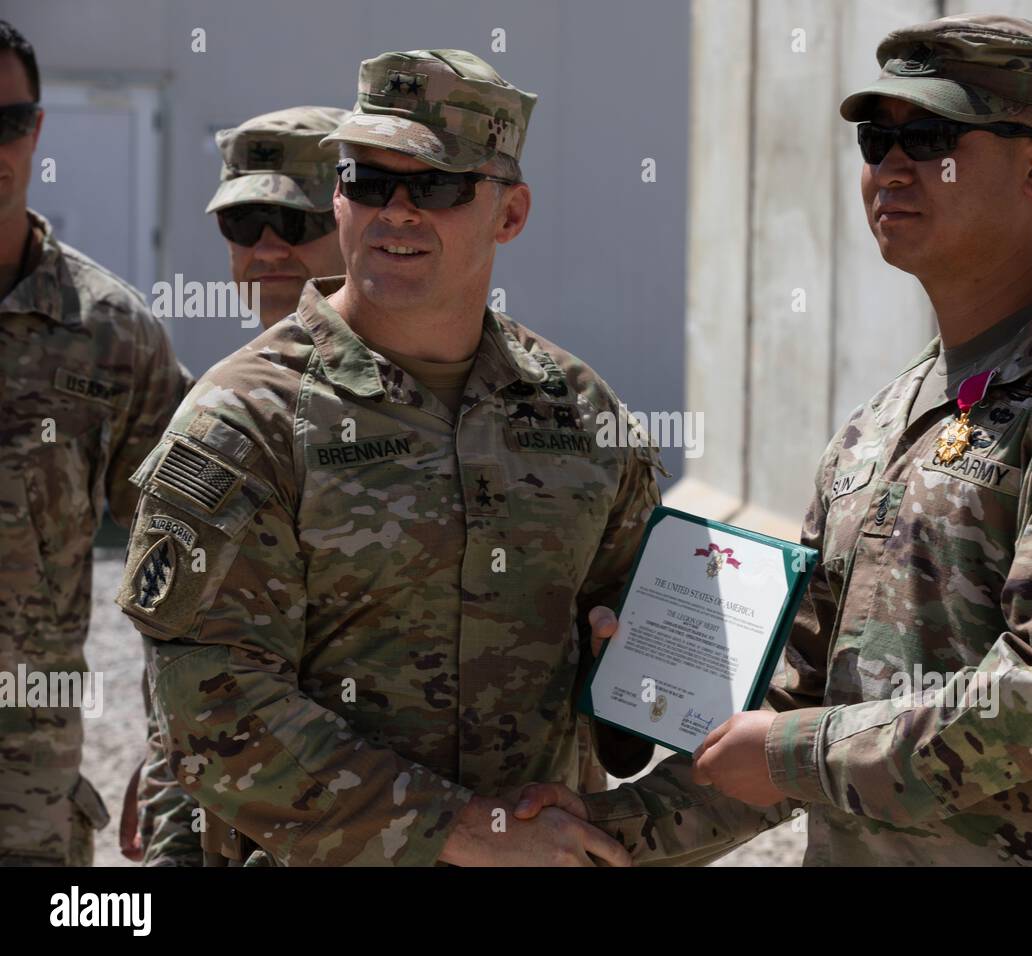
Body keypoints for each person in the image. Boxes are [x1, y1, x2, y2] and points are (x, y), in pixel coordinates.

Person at [516, 14, 1032, 867]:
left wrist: (793, 755)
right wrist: (599, 836)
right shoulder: (876, 429)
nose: (892, 165)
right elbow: (796, 700)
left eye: (931, 137)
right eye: (875, 138)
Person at [116, 48, 663, 866]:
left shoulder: (580, 415)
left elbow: (636, 688)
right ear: (338, 199)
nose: (395, 213)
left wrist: (641, 686)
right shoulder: (247, 418)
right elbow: (208, 701)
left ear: (509, 214)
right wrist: (458, 830)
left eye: (435, 186)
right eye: (367, 182)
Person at [125, 105, 349, 866]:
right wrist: (159, 773)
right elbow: (181, 650)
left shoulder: (439, 409)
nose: (267, 249)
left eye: (295, 219)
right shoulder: (221, 407)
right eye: (244, 223)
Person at [0, 18, 191, 866]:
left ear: (35, 129)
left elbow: (187, 566)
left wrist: (174, 743)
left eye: (3, 123)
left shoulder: (111, 338)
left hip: (24, 802)